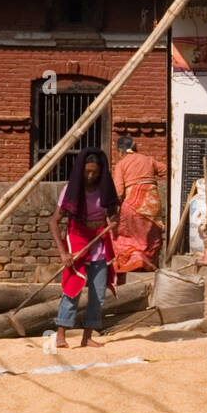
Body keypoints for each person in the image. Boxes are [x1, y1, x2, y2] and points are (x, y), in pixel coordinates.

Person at [49, 149, 119, 349]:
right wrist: (63, 253)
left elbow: (113, 218)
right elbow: (53, 222)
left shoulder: (105, 189)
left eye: (95, 172)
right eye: (87, 172)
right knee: (72, 288)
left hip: (98, 242)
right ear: (80, 170)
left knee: (98, 292)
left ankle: (87, 336)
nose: (90, 176)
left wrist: (113, 223)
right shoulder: (70, 190)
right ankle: (61, 334)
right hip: (77, 241)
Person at [112, 135, 167, 275]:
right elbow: (167, 170)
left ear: (120, 151)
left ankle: (136, 260)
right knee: (148, 238)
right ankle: (146, 261)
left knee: (123, 236)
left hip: (133, 204)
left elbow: (119, 191)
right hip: (153, 204)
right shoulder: (148, 160)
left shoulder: (121, 165)